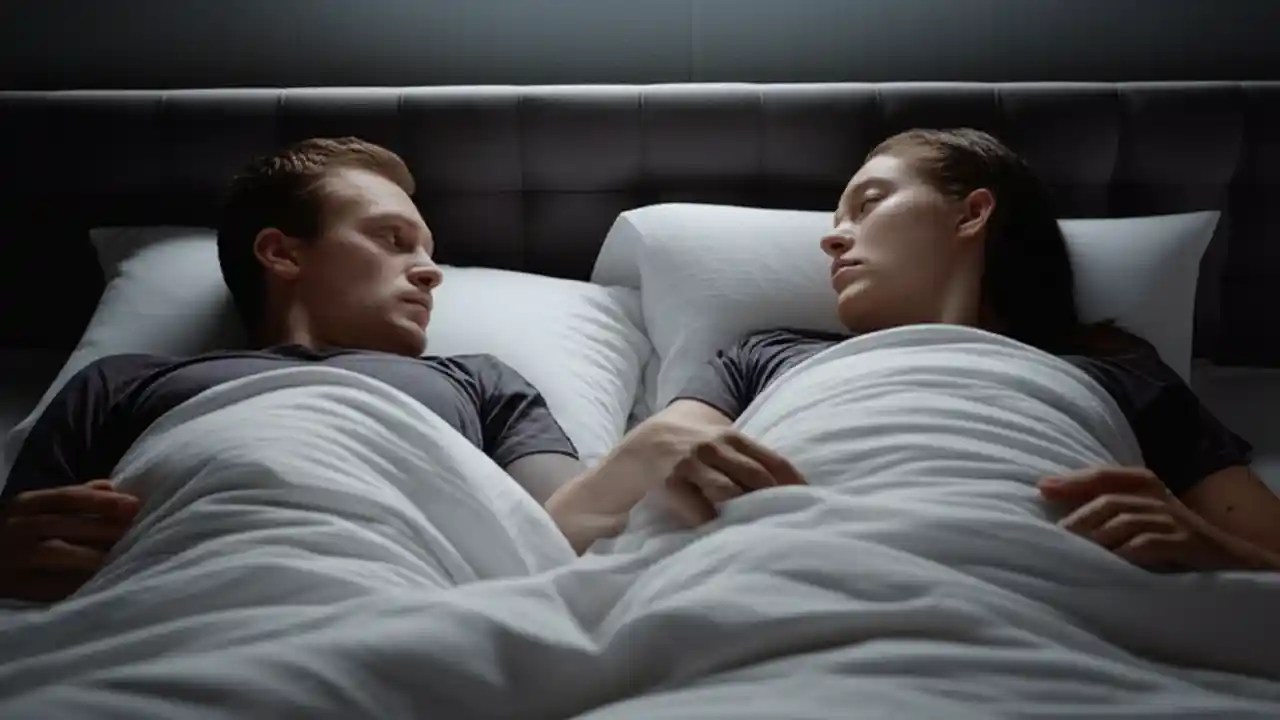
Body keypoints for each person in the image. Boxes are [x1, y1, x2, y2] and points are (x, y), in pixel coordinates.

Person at [550, 128, 1280, 572]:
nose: (833, 236)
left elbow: (1266, 560)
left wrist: (1204, 548)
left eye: (867, 204)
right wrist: (650, 456)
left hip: (1053, 585)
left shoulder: (1117, 371)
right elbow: (557, 538)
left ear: (973, 212)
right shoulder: (766, 357)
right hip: (784, 571)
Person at [0, 137, 584, 602]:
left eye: (428, 250)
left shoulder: (480, 381)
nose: (431, 271)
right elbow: (25, 547)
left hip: (405, 599)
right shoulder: (119, 382)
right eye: (393, 239)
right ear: (281, 252)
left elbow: (575, 532)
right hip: (152, 606)